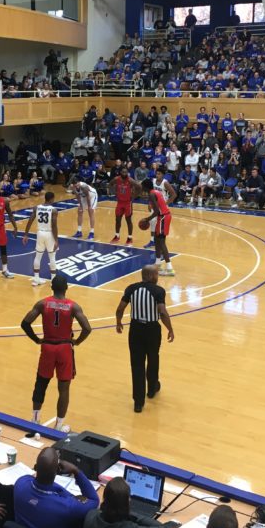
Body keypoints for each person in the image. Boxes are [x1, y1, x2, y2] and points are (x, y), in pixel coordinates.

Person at [21, 275, 92, 432]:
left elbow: (25, 323)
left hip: (47, 347)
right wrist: (77, 341)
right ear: (66, 288)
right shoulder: (73, 306)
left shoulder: (42, 303)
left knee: (41, 383)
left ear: (51, 287)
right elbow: (87, 328)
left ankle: (35, 420)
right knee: (64, 388)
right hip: (64, 349)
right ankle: (59, 425)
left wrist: (36, 340)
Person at [115, 265, 174, 413]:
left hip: (135, 329)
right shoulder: (158, 291)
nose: (158, 276)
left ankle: (138, 402)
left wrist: (118, 322)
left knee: (137, 364)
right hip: (152, 329)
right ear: (151, 276)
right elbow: (162, 312)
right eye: (156, 274)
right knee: (153, 358)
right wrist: (170, 329)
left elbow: (120, 308)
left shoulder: (131, 288)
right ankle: (152, 388)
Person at [13, 447, 99, 528]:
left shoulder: (20, 483)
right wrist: (76, 470)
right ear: (58, 470)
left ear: (35, 467)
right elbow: (94, 500)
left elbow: (38, 482)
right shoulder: (67, 506)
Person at [83, 477, 162, 528]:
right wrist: (171, 524)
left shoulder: (91, 515)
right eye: (128, 497)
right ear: (125, 502)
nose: (130, 499)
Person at [22, 191, 59, 287]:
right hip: (49, 233)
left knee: (38, 256)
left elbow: (30, 220)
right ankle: (54, 281)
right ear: (52, 199)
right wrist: (56, 240)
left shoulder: (37, 207)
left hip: (39, 233)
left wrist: (26, 234)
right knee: (52, 257)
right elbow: (54, 225)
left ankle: (36, 279)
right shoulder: (53, 210)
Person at [141, 178, 174, 276]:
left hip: (163, 217)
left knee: (161, 242)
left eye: (143, 186)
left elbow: (156, 212)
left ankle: (169, 269)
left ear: (146, 187)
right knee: (156, 239)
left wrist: (146, 219)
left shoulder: (151, 194)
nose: (142, 188)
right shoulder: (155, 192)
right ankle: (158, 264)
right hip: (163, 216)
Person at [111, 167, 140, 245]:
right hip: (120, 202)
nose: (124, 174)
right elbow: (110, 184)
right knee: (117, 220)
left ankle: (129, 238)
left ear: (127, 173)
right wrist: (115, 192)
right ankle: (117, 236)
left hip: (127, 203)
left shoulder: (130, 180)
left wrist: (134, 196)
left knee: (128, 220)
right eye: (123, 172)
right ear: (121, 172)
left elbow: (139, 187)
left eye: (126, 172)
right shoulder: (117, 179)